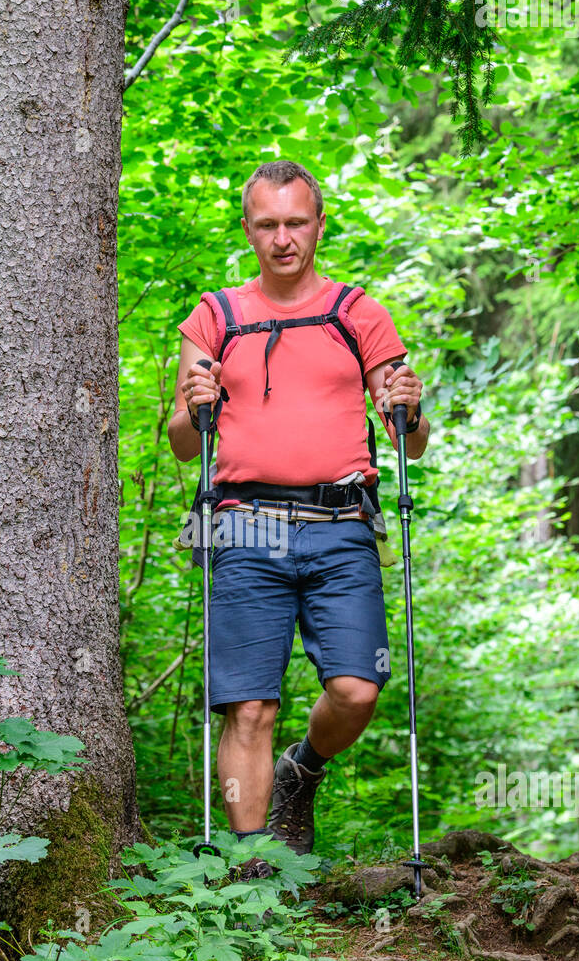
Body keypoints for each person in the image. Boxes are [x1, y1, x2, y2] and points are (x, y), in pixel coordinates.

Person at [168, 160, 428, 875]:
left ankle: (303, 769)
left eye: (296, 223)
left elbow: (408, 433)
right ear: (249, 229)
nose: (284, 239)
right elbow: (184, 442)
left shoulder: (359, 312)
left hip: (341, 523)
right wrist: (194, 406)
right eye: (267, 225)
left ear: (318, 223)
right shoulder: (215, 317)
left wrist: (406, 403)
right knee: (247, 708)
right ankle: (254, 878)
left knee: (357, 688)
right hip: (244, 524)